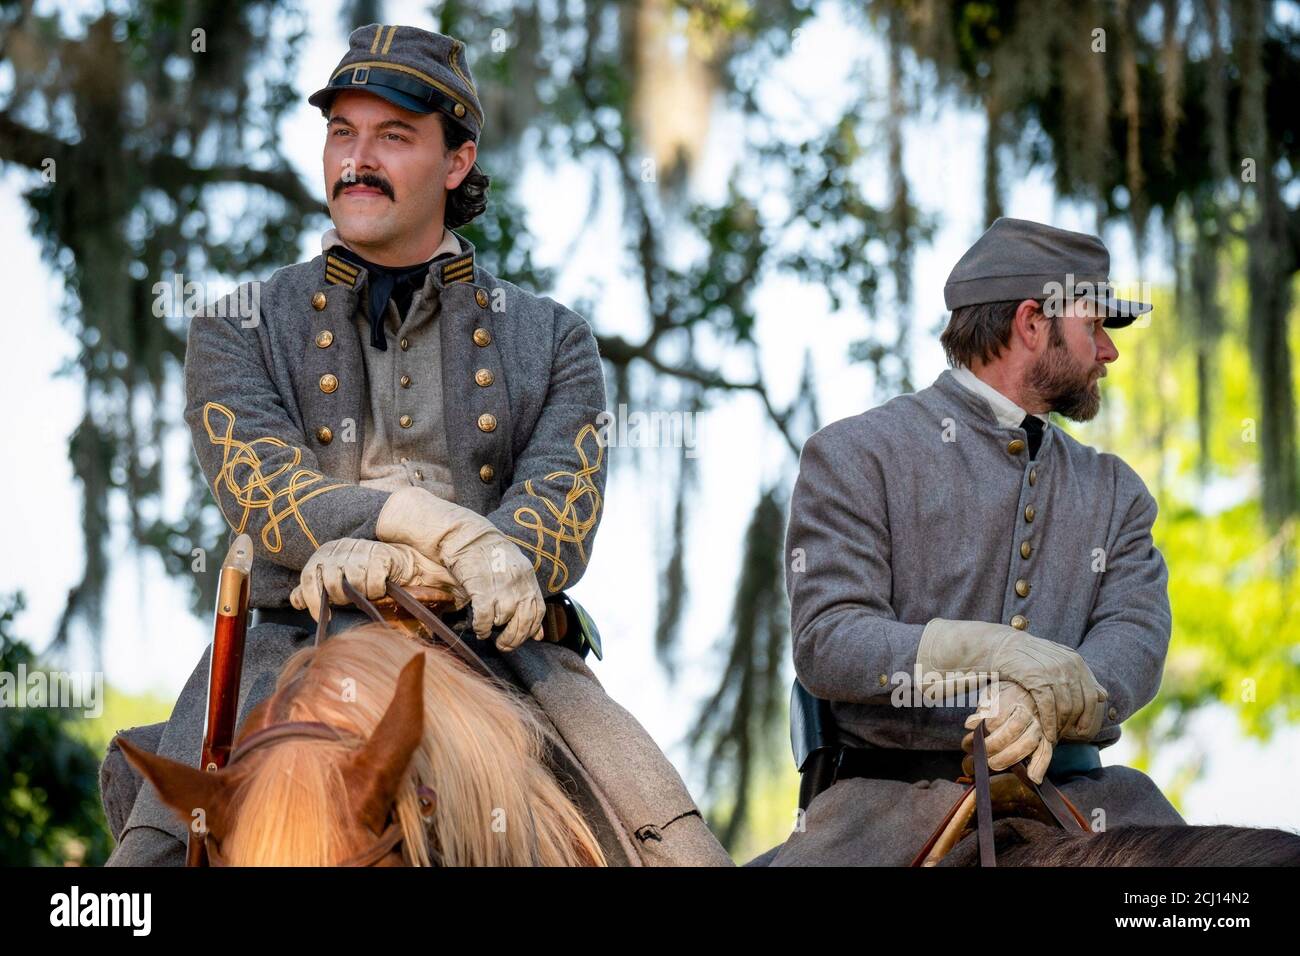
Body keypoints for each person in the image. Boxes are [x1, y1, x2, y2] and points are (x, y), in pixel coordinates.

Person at [104, 24, 728, 867]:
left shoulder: (554, 339)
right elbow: (266, 496)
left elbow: (559, 518)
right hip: (289, 647)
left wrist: (462, 561)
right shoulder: (235, 327)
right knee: (134, 880)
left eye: (393, 137)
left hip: (503, 654)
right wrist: (427, 526)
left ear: (458, 162)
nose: (357, 160)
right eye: (341, 133)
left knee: (682, 856)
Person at [766, 217, 1184, 866]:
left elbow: (1136, 636)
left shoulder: (1116, 492)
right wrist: (988, 652)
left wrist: (1054, 691)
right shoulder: (855, 455)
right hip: (880, 818)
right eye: (1094, 325)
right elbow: (828, 639)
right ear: (1031, 323)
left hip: (1088, 803)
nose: (1109, 351)